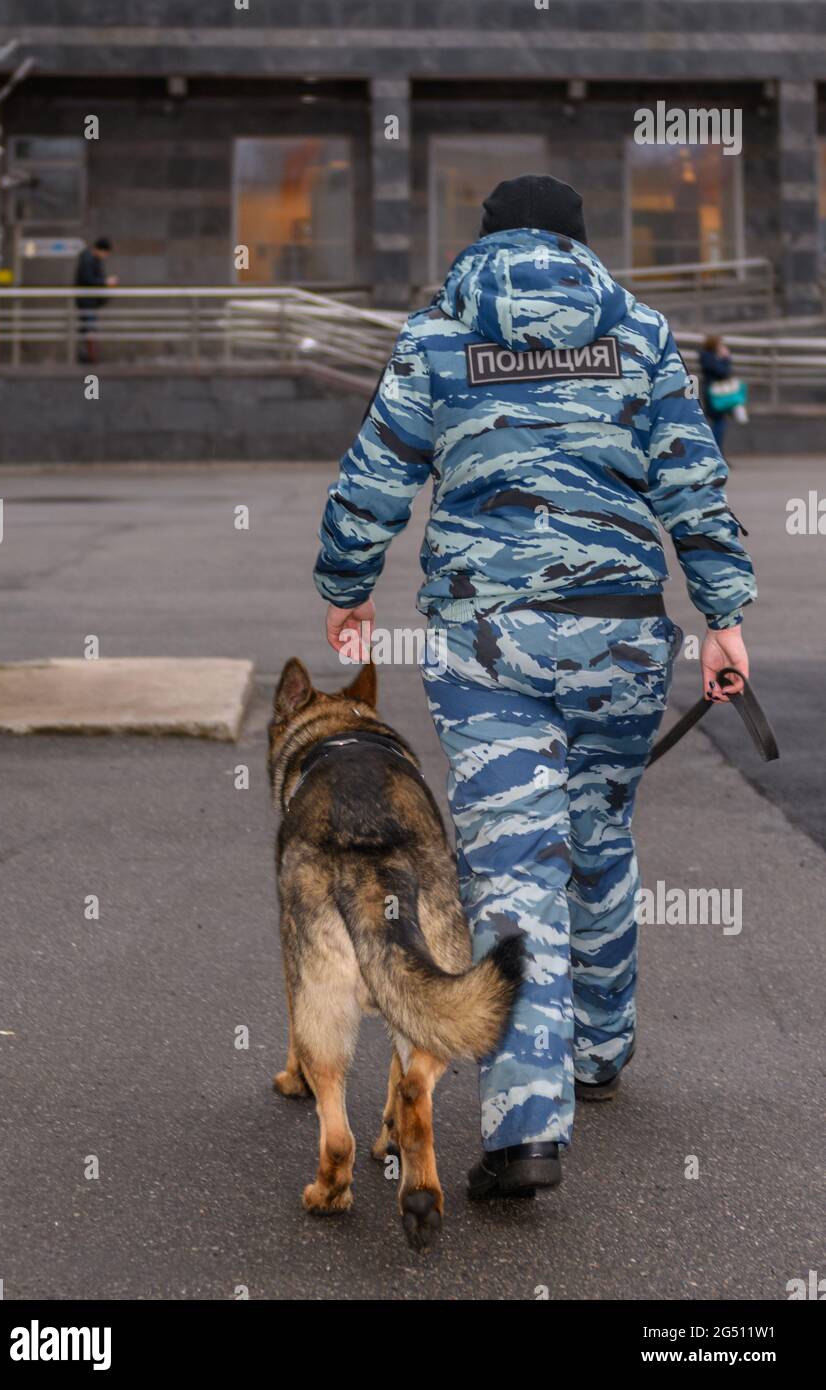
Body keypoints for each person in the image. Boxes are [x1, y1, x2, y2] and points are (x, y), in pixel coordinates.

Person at [313, 174, 756, 1200]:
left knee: (513, 861)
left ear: (485, 239)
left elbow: (375, 475)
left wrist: (346, 587)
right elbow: (692, 480)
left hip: (488, 642)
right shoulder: (638, 331)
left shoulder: (436, 334)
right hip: (620, 637)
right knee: (596, 839)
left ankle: (523, 1131)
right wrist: (724, 619)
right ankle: (598, 1052)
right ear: (578, 242)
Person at [74, 236, 118, 364]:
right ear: (101, 250)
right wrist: (105, 282)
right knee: (89, 328)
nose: (106, 256)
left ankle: (89, 356)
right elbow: (88, 279)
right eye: (106, 252)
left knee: (88, 328)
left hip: (88, 301)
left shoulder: (90, 259)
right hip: (87, 301)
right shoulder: (89, 260)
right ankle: (90, 357)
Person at [699, 333, 734, 453]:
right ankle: (715, 451)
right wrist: (726, 359)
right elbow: (722, 372)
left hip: (713, 392)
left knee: (718, 421)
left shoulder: (708, 356)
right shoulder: (709, 357)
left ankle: (714, 451)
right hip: (714, 393)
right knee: (719, 422)